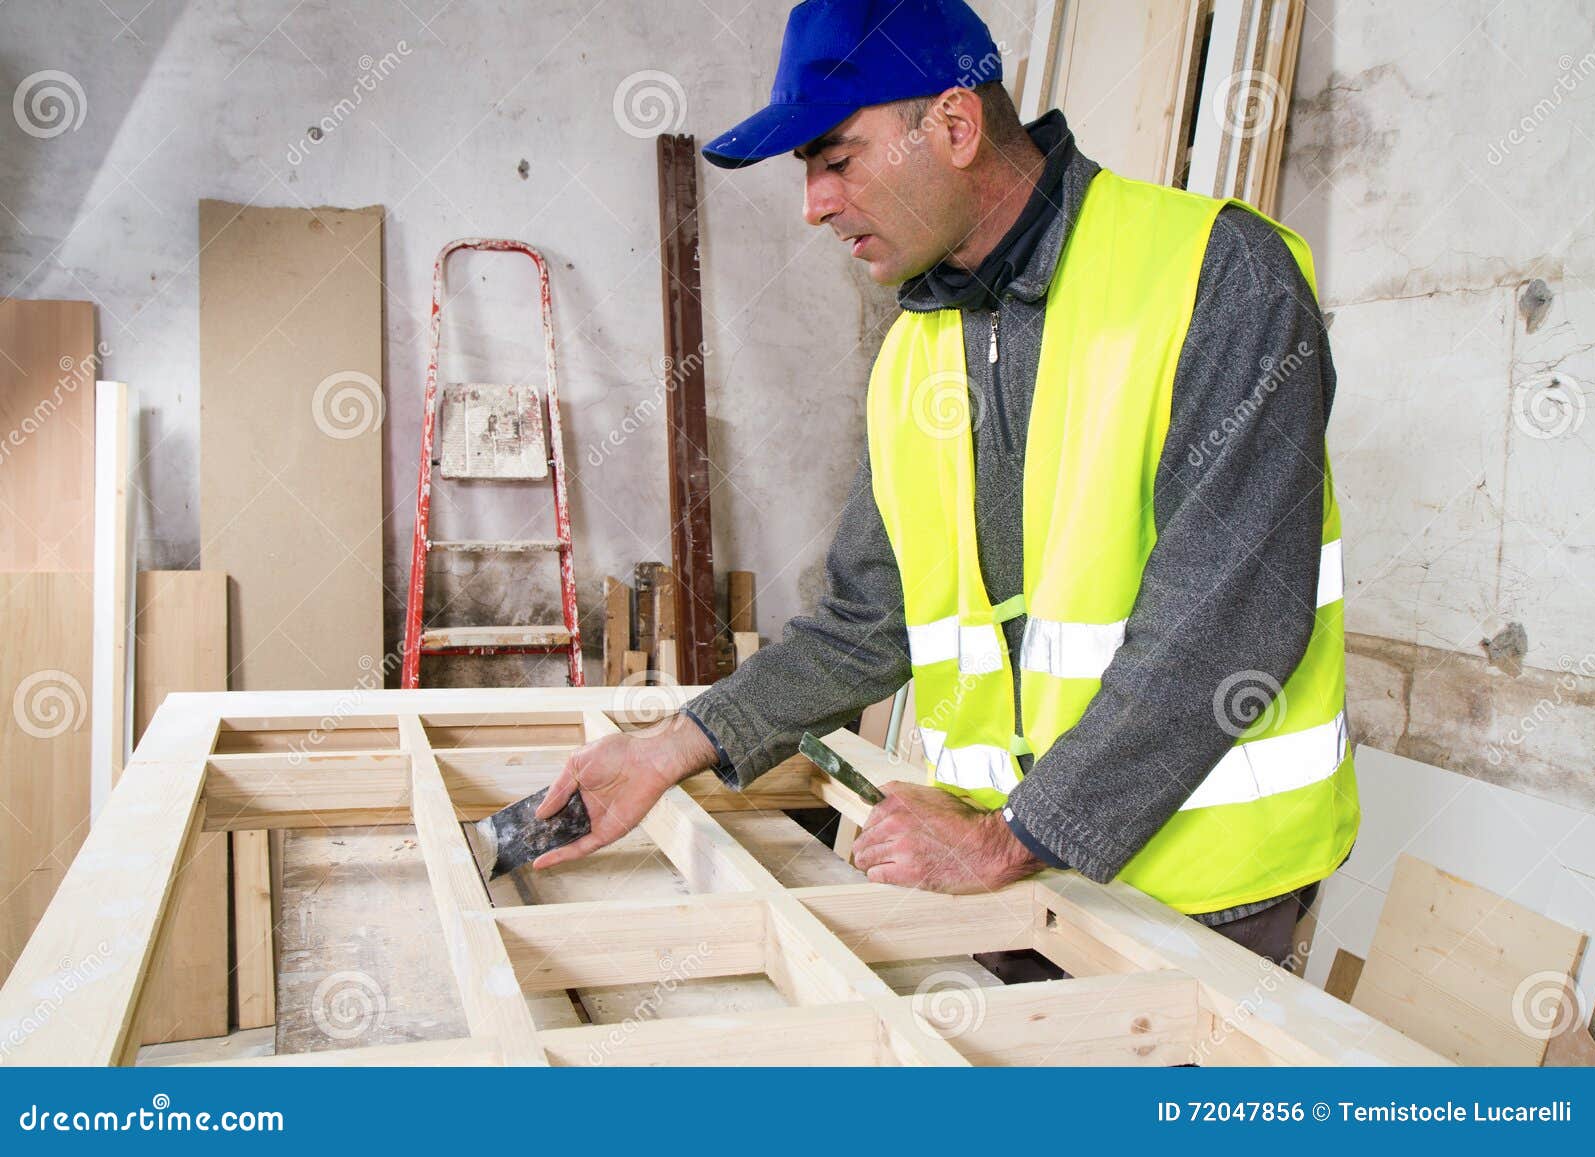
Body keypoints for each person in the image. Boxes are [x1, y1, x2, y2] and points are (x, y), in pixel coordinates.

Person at [534, 0, 1356, 968]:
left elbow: (1226, 621)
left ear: (956, 127)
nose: (813, 205)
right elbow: (863, 622)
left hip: (1198, 903)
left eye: (837, 160)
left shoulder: (1219, 277)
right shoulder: (912, 358)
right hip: (1015, 883)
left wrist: (1006, 838)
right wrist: (669, 745)